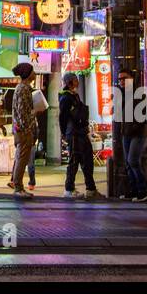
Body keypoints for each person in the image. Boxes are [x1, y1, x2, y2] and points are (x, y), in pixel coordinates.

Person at [59, 71, 100, 199]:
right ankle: (69, 189)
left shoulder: (74, 95)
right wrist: (65, 133)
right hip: (74, 133)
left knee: (87, 160)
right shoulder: (65, 97)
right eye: (75, 79)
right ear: (69, 82)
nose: (77, 81)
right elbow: (63, 117)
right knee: (74, 161)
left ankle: (91, 189)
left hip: (81, 132)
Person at [118, 69, 147, 201]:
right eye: (120, 79)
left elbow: (145, 115)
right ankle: (133, 190)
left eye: (124, 78)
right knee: (127, 163)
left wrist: (135, 127)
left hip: (138, 133)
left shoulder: (139, 93)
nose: (121, 81)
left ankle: (143, 191)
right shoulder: (123, 94)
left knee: (133, 161)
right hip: (126, 133)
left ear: (132, 78)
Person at [10, 62, 38, 198]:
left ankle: (18, 186)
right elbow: (22, 112)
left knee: (21, 158)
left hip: (22, 129)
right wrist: (27, 127)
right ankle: (18, 187)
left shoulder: (22, 88)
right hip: (23, 130)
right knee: (22, 158)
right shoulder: (23, 89)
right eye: (32, 71)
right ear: (28, 74)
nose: (35, 73)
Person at [25, 80, 48, 192]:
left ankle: (31, 182)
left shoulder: (33, 116)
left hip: (30, 140)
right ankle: (20, 182)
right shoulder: (28, 115)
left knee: (29, 163)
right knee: (27, 163)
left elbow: (36, 129)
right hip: (27, 139)